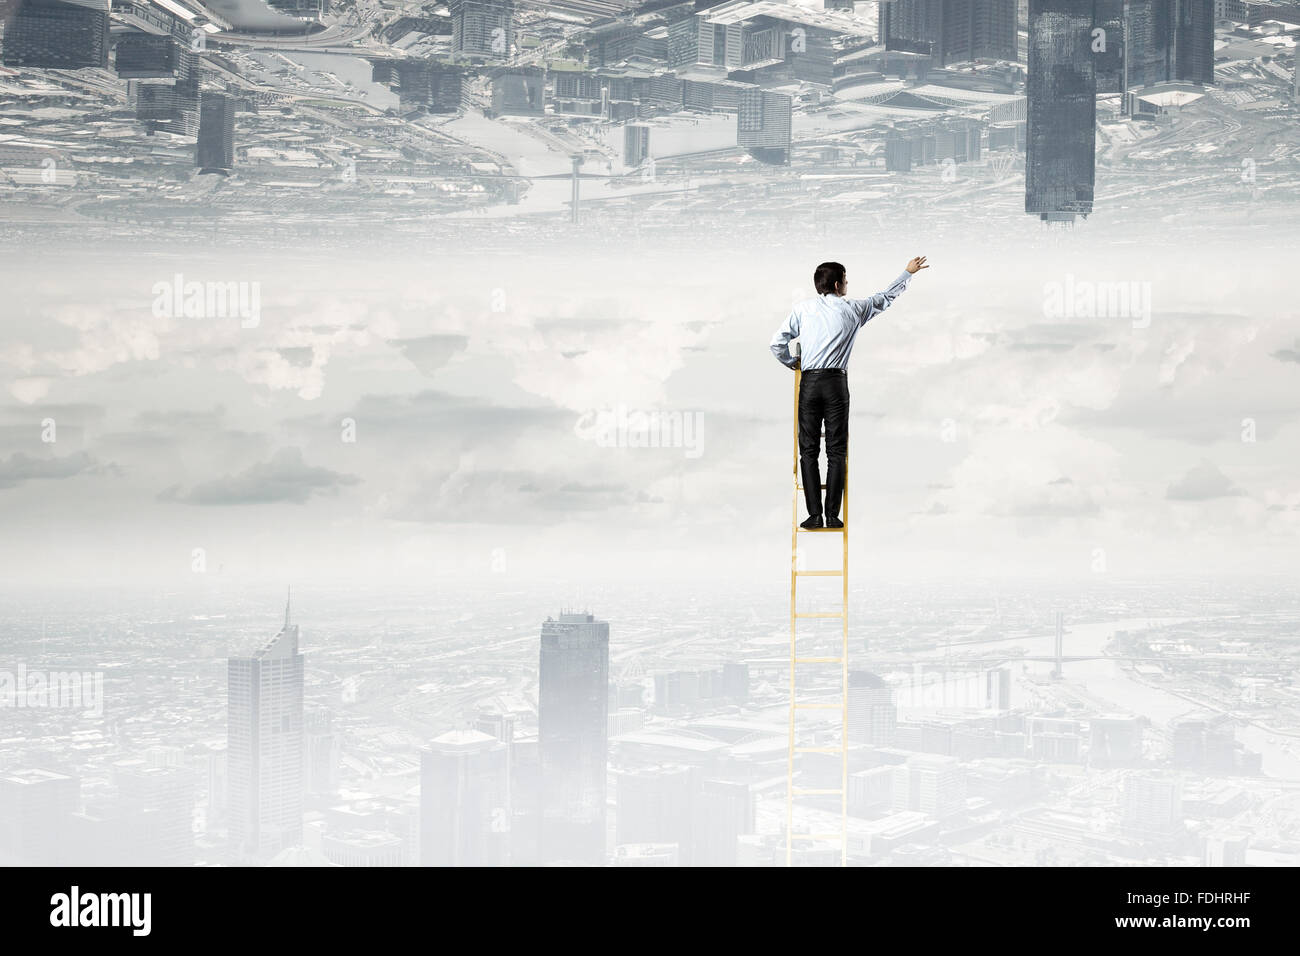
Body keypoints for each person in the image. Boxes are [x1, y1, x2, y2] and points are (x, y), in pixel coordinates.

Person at [770, 257, 929, 529]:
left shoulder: (803, 309)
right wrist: (907, 273)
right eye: (845, 279)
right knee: (836, 451)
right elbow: (884, 298)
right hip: (835, 384)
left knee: (808, 451)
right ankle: (832, 516)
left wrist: (793, 362)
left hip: (809, 382)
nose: (847, 284)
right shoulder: (854, 309)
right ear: (837, 284)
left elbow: (777, 343)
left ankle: (814, 515)